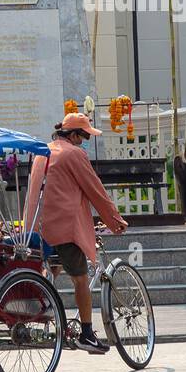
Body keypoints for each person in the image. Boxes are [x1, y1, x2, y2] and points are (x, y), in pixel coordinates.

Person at [25, 112, 128, 354]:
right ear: (72, 135)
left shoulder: (43, 152)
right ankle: (87, 334)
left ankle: (48, 313)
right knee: (80, 279)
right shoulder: (74, 154)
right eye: (83, 137)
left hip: (38, 229)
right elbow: (95, 190)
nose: (84, 143)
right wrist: (114, 220)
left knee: (54, 269)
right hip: (65, 229)